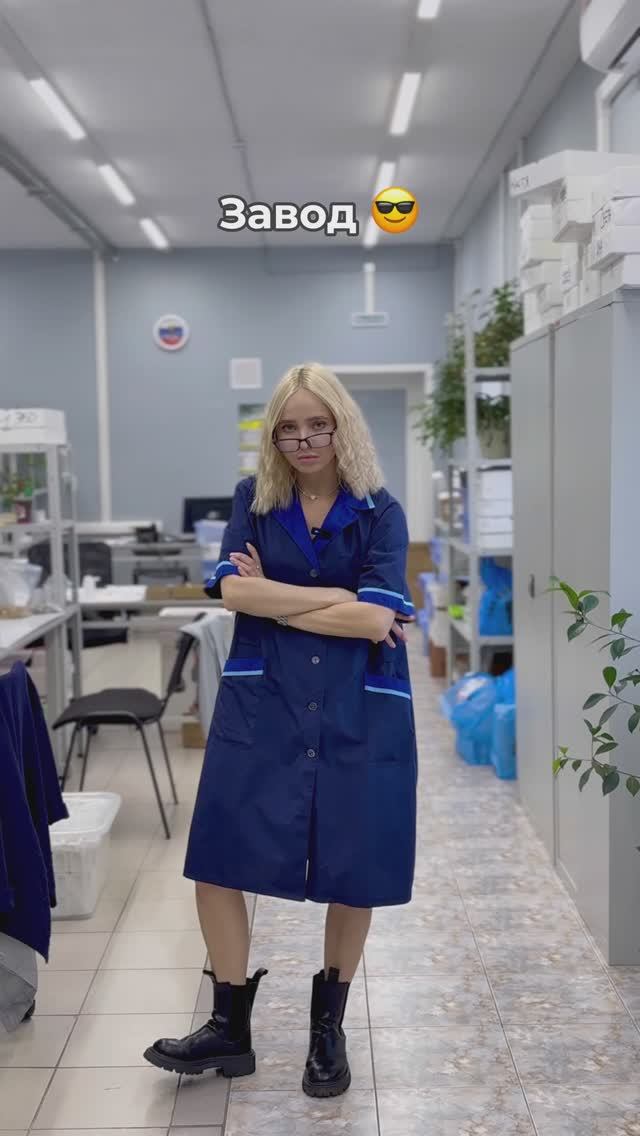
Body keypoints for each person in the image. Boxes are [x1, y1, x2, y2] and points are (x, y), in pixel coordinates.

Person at [144, 362, 418, 1098]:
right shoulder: (254, 500)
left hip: (358, 710)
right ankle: (228, 1028)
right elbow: (235, 591)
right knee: (218, 856)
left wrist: (280, 598)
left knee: (354, 865)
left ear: (341, 427)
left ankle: (327, 1030)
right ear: (273, 437)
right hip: (263, 704)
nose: (304, 440)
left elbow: (375, 619)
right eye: (288, 428)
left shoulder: (381, 510)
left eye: (317, 424)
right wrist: (333, 597)